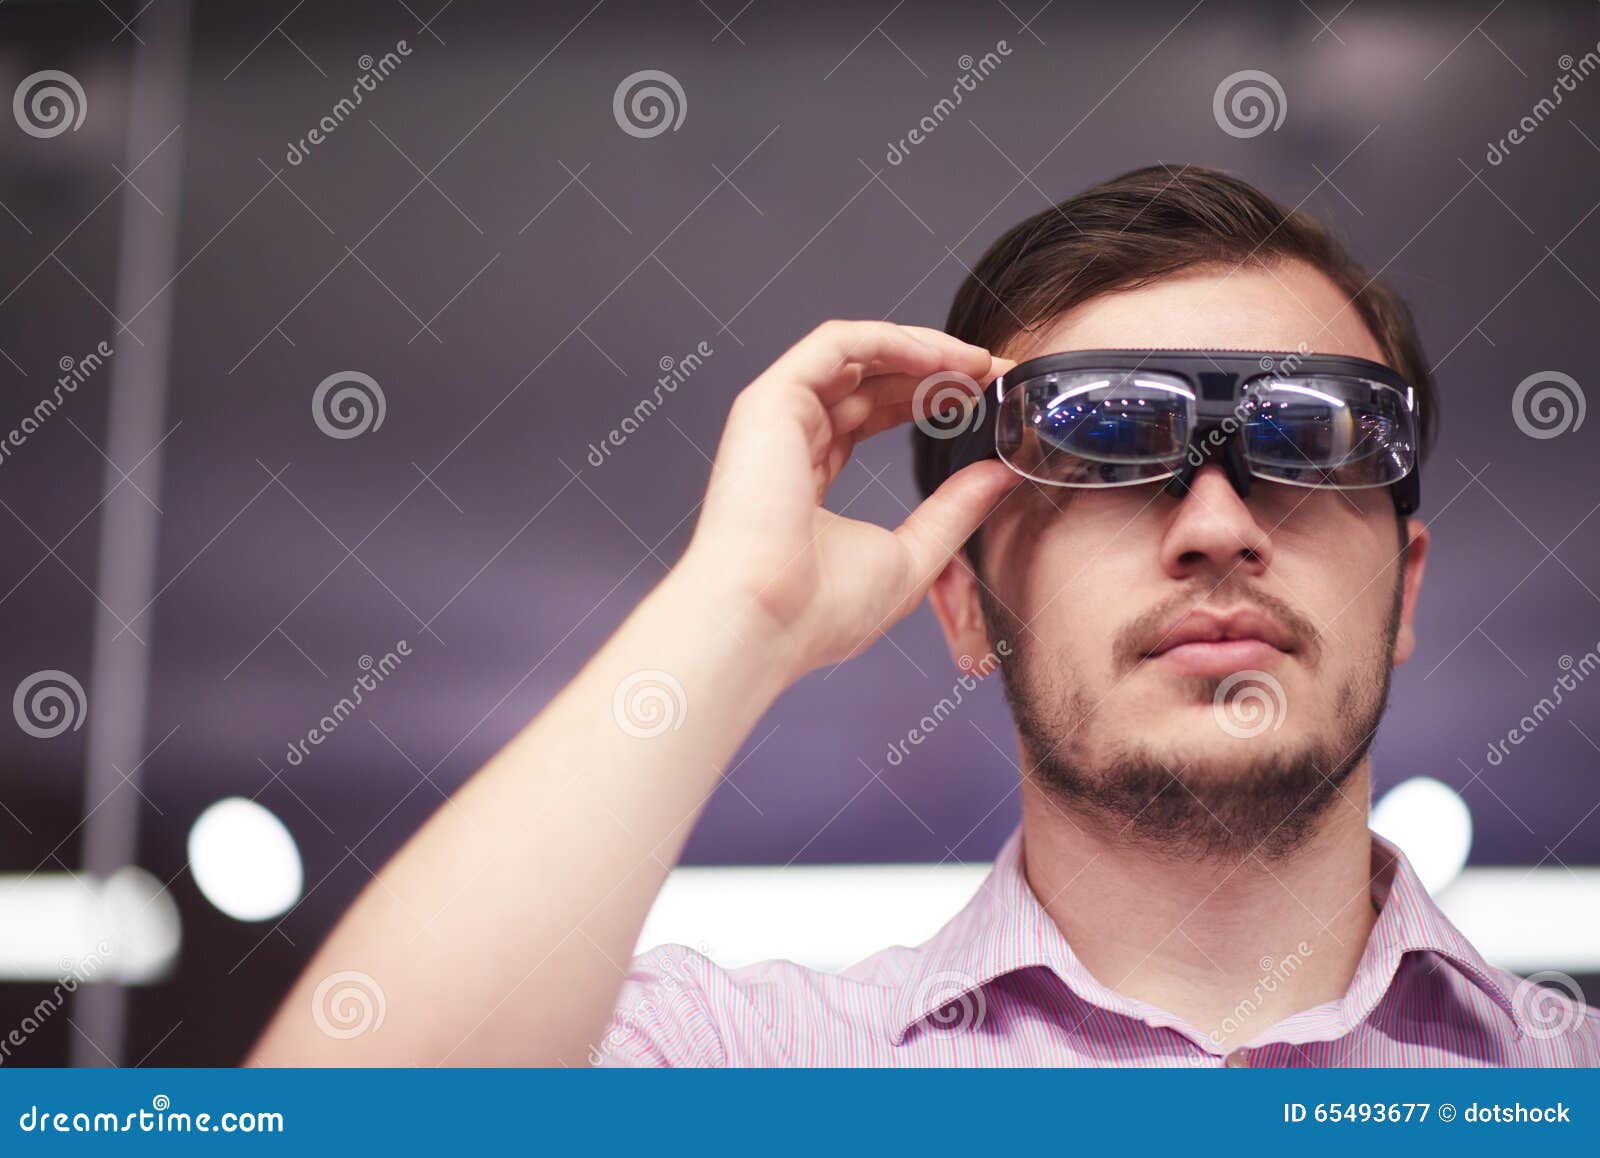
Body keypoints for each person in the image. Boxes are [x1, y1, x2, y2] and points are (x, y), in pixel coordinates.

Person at [249, 165, 1599, 1067]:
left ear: (1407, 586)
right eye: (1105, 442)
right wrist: (738, 608)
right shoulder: (751, 1069)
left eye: (1308, 440)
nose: (1216, 523)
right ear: (965, 604)